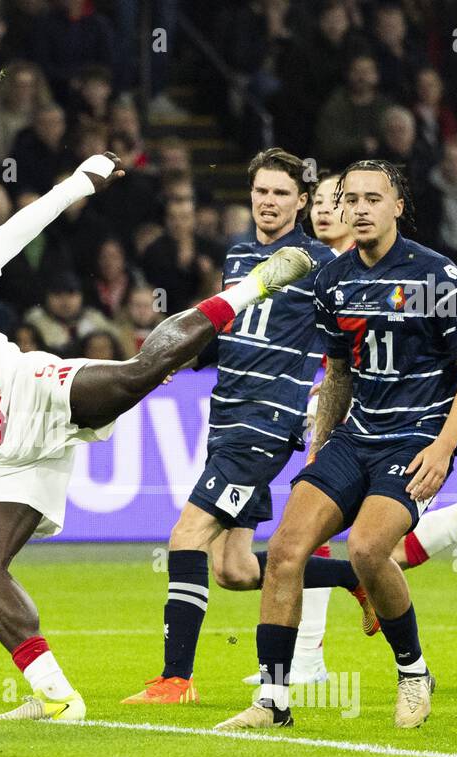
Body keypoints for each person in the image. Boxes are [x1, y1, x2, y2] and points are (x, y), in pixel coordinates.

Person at [0, 152, 316, 721]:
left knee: (137, 373)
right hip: (1, 458)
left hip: (36, 390)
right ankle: (57, 697)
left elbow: (10, 234)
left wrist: (78, 183)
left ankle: (254, 286)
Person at [218, 160, 457, 732]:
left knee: (368, 550)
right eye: (352, 200)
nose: (361, 209)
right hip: (355, 436)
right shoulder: (331, 280)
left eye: (374, 198)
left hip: (415, 438)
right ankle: (272, 702)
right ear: (340, 209)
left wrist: (443, 448)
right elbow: (339, 375)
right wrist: (321, 449)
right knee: (287, 551)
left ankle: (413, 672)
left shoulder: (439, 276)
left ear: (397, 206)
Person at [121, 149, 358, 705]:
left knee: (186, 538)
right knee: (232, 569)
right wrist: (182, 359)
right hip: (226, 412)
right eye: (261, 192)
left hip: (266, 420)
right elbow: (232, 332)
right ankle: (355, 578)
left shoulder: (320, 264)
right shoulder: (240, 253)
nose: (269, 201)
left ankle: (176, 680)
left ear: (301, 203)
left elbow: (344, 340)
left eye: (281, 193)